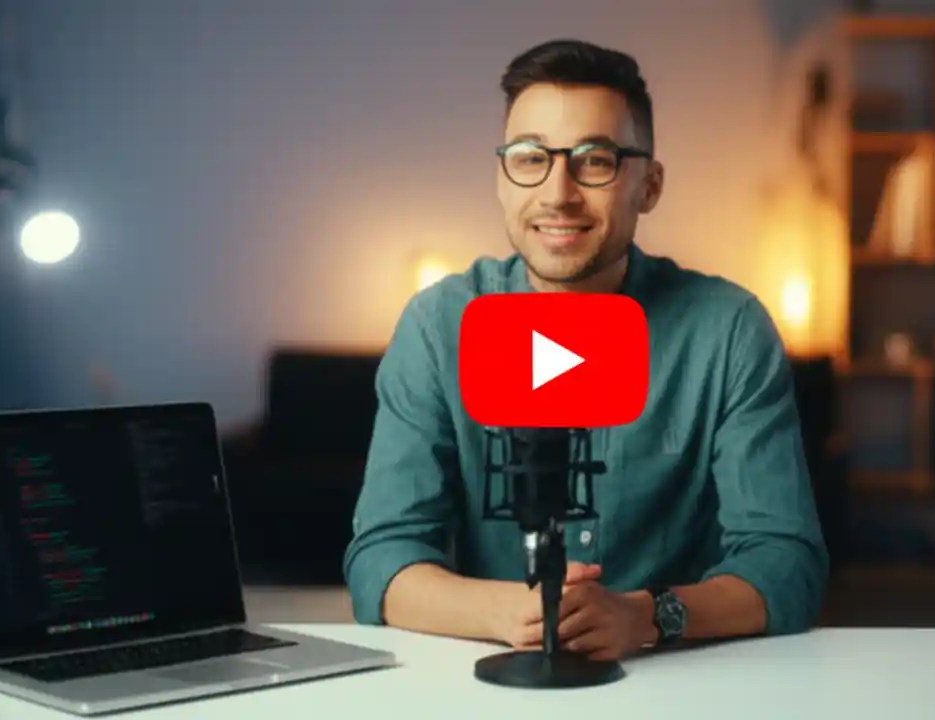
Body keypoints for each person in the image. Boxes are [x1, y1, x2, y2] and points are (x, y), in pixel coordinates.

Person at [342, 38, 828, 661]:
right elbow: (382, 558)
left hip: (685, 684)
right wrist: (505, 611)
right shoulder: (439, 327)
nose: (558, 193)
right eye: (529, 158)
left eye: (595, 161)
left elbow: (786, 562)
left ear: (648, 186)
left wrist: (648, 615)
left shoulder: (729, 330)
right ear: (500, 177)